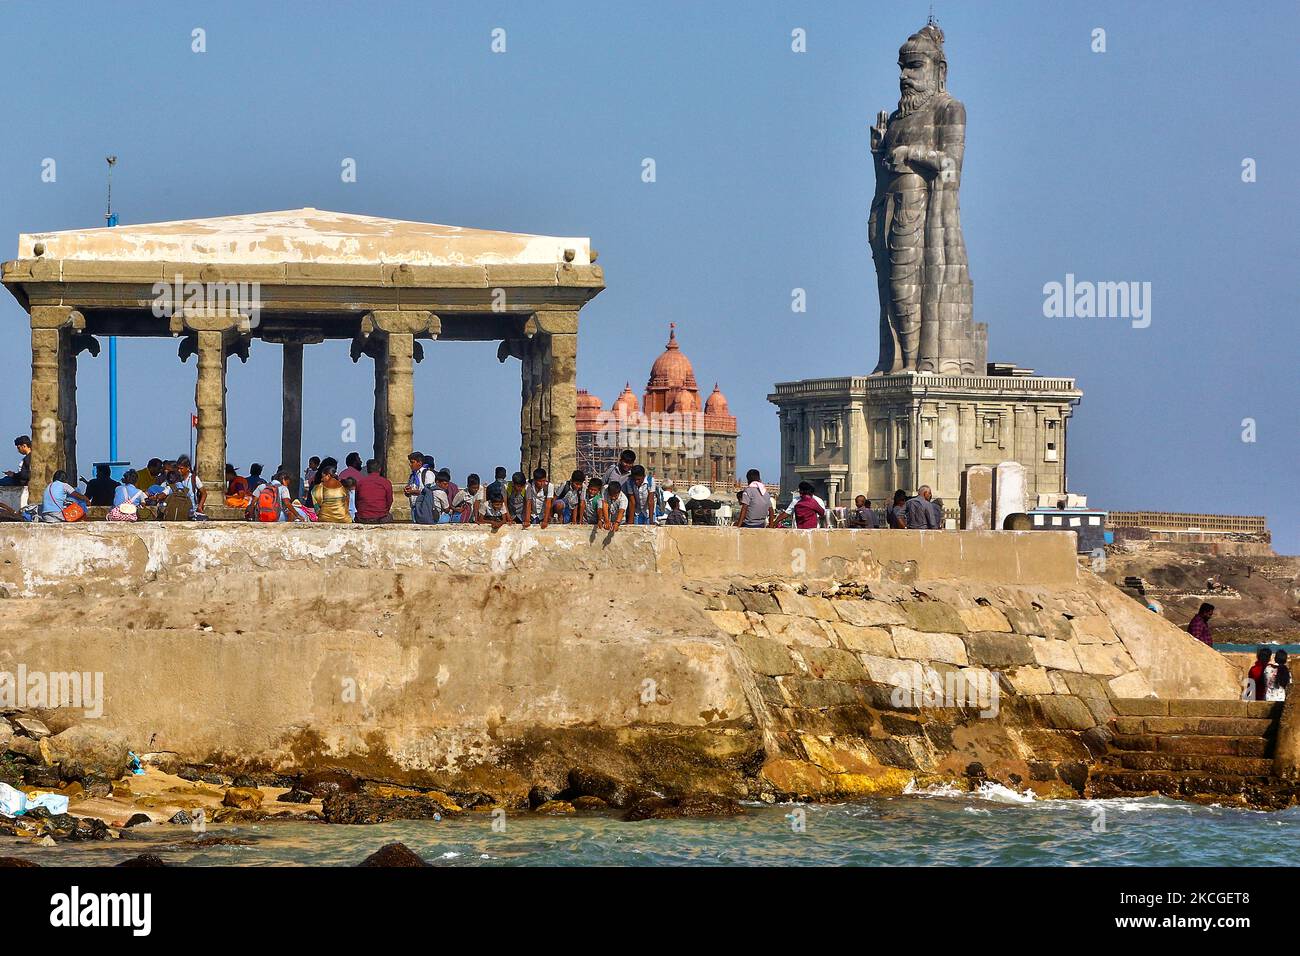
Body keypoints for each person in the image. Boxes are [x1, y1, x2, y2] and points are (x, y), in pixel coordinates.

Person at [354, 459, 394, 524]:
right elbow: (389, 501)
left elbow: (357, 502)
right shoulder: (386, 482)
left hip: (363, 517)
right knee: (390, 517)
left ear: (367, 470)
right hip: (380, 517)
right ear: (379, 469)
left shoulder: (360, 482)